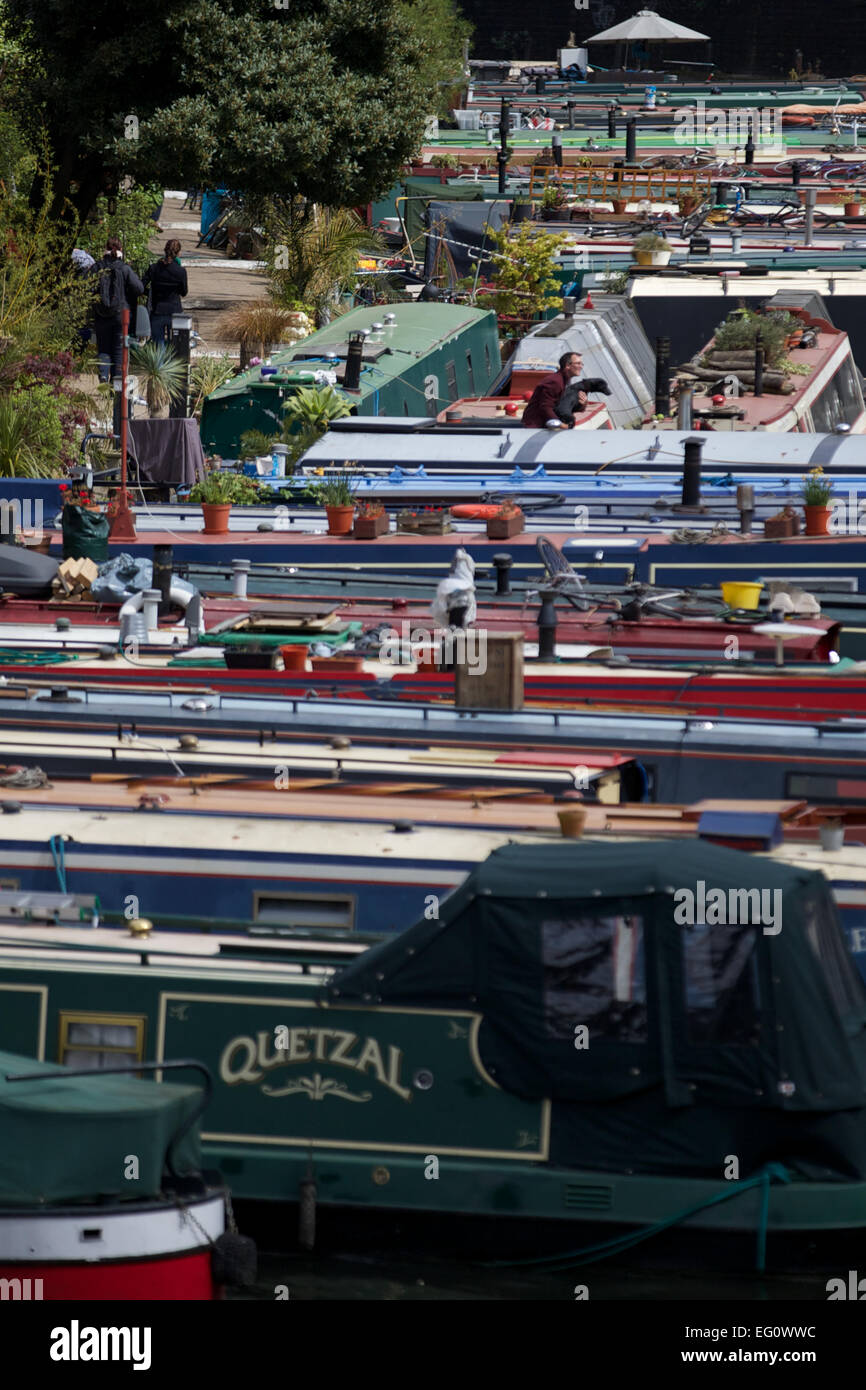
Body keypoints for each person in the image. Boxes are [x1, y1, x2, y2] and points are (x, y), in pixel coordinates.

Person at [92, 237, 144, 383]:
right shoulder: (124, 268)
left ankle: (103, 375)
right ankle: (117, 384)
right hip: (121, 315)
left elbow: (84, 286)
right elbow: (139, 288)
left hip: (101, 314)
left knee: (103, 348)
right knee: (118, 350)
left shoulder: (97, 267)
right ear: (120, 250)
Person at [522, 351, 587, 429]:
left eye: (581, 364)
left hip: (546, 426)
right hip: (536, 427)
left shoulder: (564, 381)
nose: (581, 366)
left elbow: (564, 407)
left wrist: (582, 404)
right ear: (567, 365)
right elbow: (545, 406)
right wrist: (561, 425)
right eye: (578, 363)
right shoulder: (555, 382)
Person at [142, 239, 188, 346]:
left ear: (165, 250)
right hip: (175, 311)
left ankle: (160, 363)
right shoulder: (181, 271)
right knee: (176, 345)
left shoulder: (154, 268)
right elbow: (184, 292)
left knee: (159, 346)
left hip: (157, 310)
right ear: (178, 253)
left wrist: (149, 293)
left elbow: (140, 286)